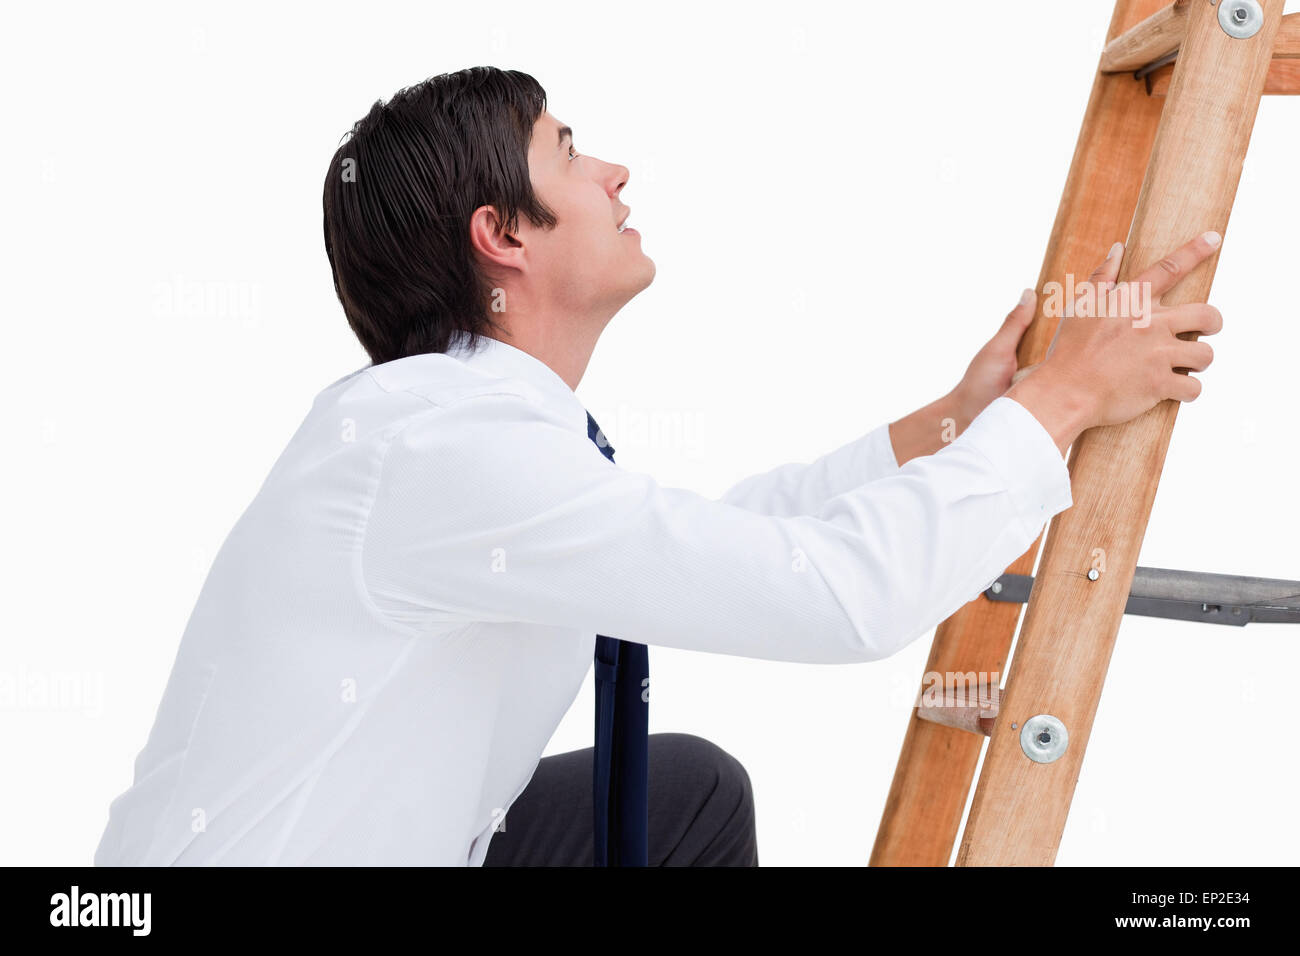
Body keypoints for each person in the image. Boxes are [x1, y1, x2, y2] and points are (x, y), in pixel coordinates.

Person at [93, 66, 1223, 867]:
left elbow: (692, 541)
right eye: (570, 152)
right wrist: (1062, 396)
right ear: (506, 235)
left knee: (687, 792)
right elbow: (835, 595)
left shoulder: (456, 430)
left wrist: (951, 423)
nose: (616, 171)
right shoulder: (440, 447)